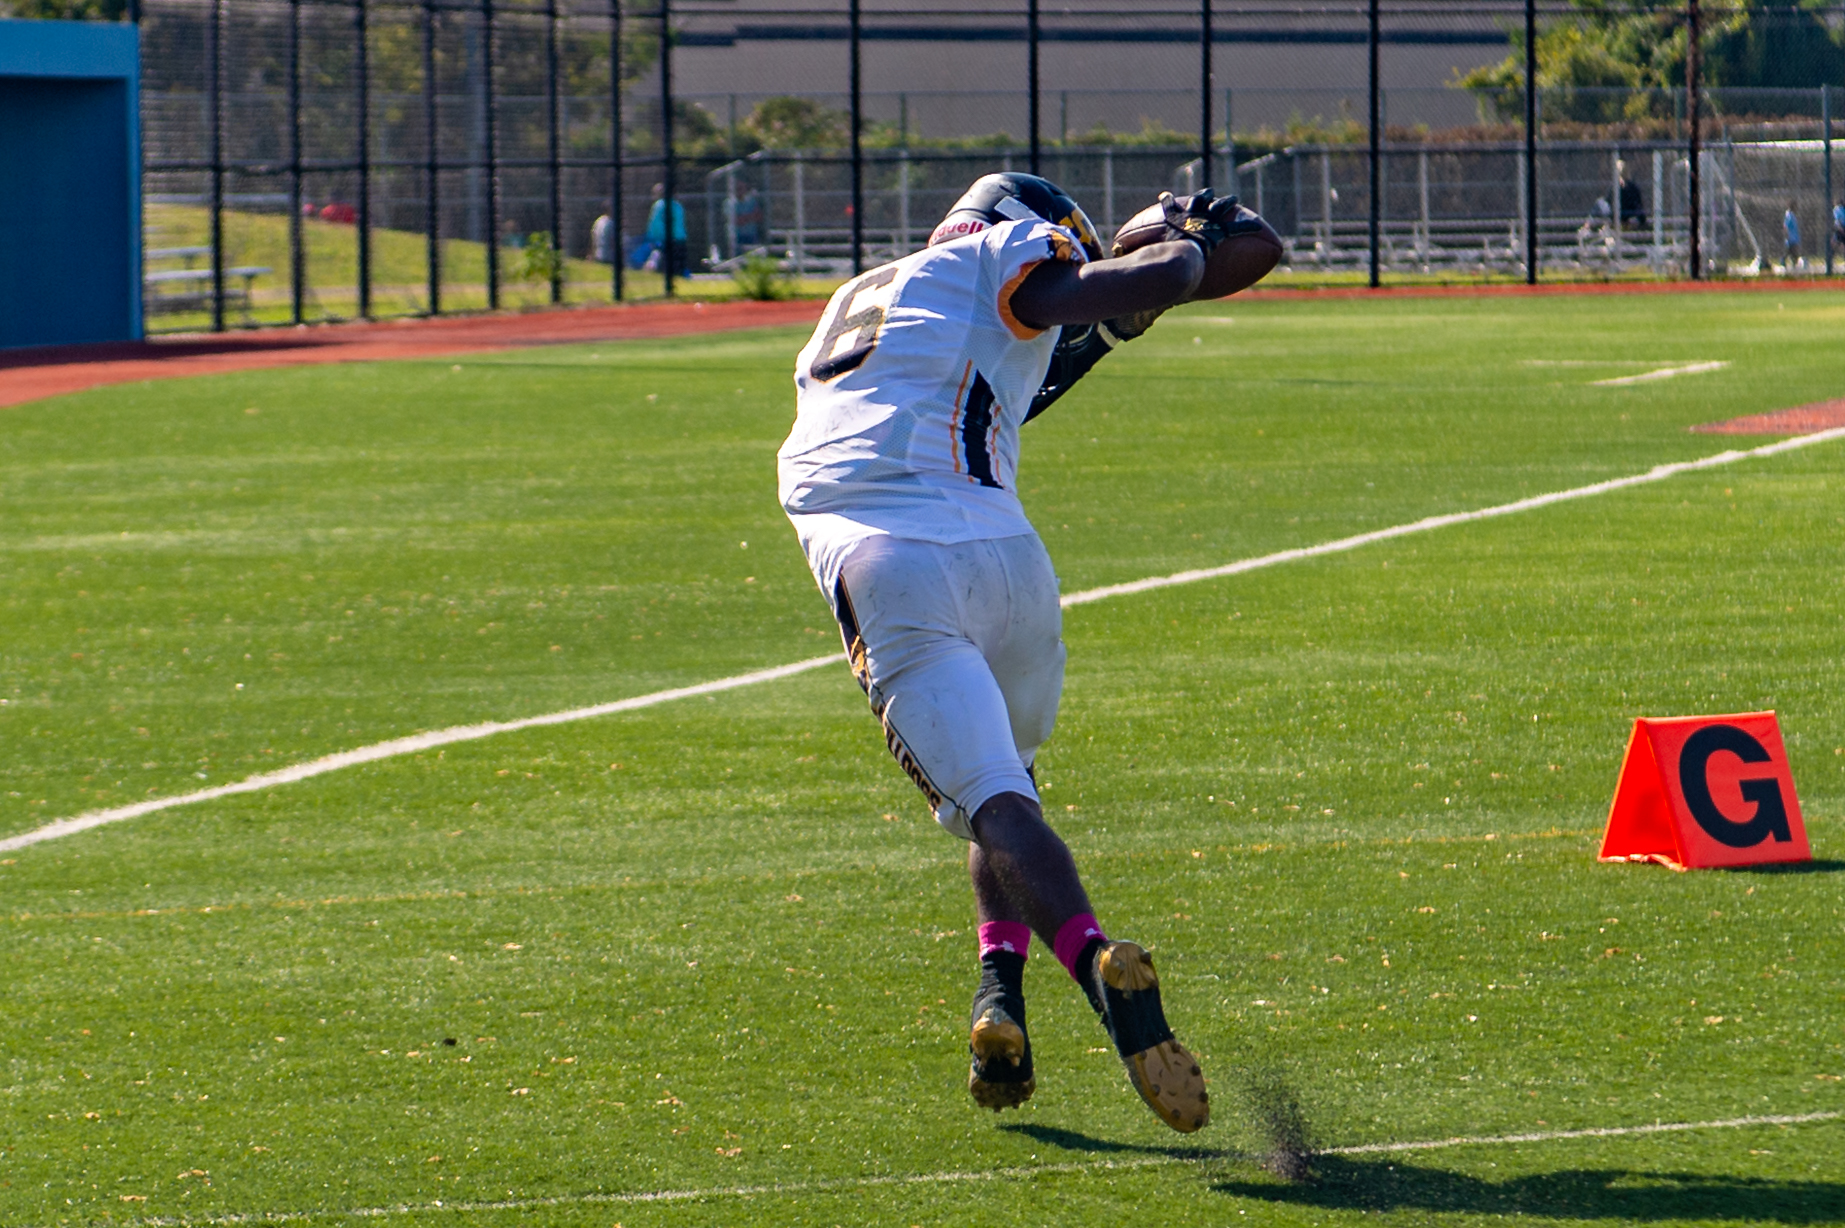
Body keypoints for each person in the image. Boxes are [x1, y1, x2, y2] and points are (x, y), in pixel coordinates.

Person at [777, 173, 1271, 1133]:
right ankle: (996, 993)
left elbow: (1051, 334)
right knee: (1007, 792)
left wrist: (1149, 270)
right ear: (1032, 233)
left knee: (995, 802)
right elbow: (1166, 276)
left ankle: (1095, 970)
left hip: (892, 561)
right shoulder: (1005, 266)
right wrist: (1171, 249)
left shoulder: (858, 303)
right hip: (1006, 561)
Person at [645, 182, 689, 276]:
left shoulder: (659, 205)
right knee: (679, 266)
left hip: (664, 241)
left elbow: (654, 224)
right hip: (680, 240)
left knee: (664, 267)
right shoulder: (678, 206)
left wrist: (651, 237)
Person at [1784, 202, 1801, 273]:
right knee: (1792, 251)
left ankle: (1793, 264)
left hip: (1795, 237)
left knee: (1792, 251)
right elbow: (1786, 226)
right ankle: (1784, 262)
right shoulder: (1789, 215)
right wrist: (1787, 235)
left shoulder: (1792, 215)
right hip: (1791, 237)